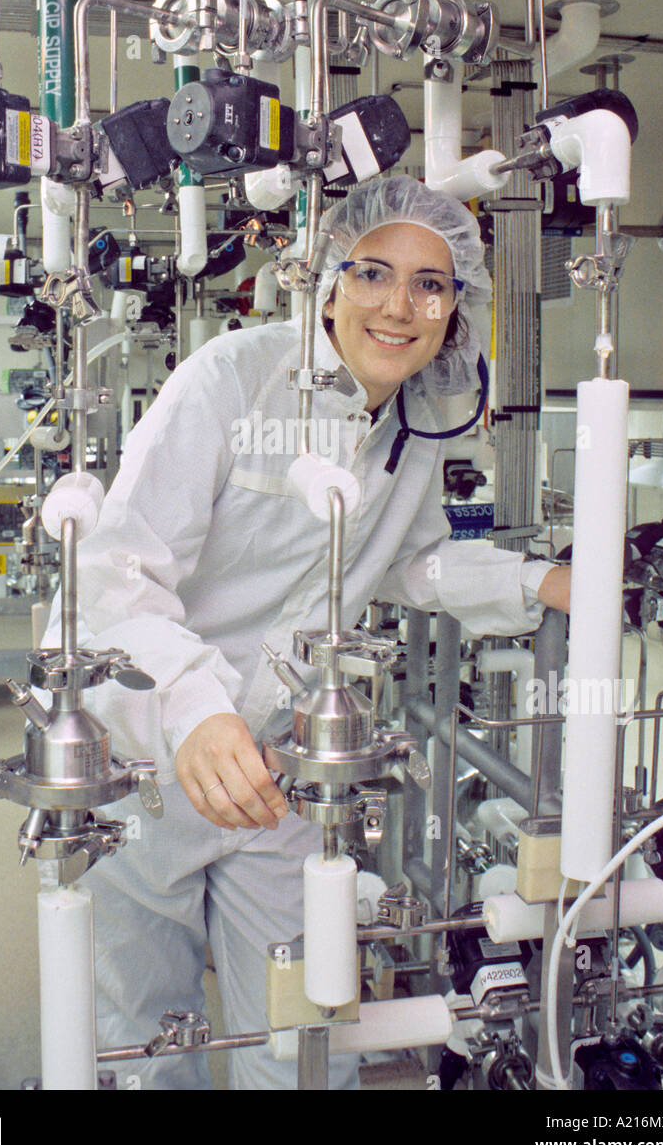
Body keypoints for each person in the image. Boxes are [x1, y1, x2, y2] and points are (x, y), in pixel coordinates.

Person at [42, 174, 570, 1090]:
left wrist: (540, 581)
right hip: (146, 762)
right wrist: (193, 708)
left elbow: (416, 563)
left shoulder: (418, 421)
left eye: (430, 285)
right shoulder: (234, 379)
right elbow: (113, 573)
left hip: (280, 772)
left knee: (297, 1041)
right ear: (326, 278)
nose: (399, 306)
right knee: (137, 1040)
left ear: (458, 306)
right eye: (373, 273)